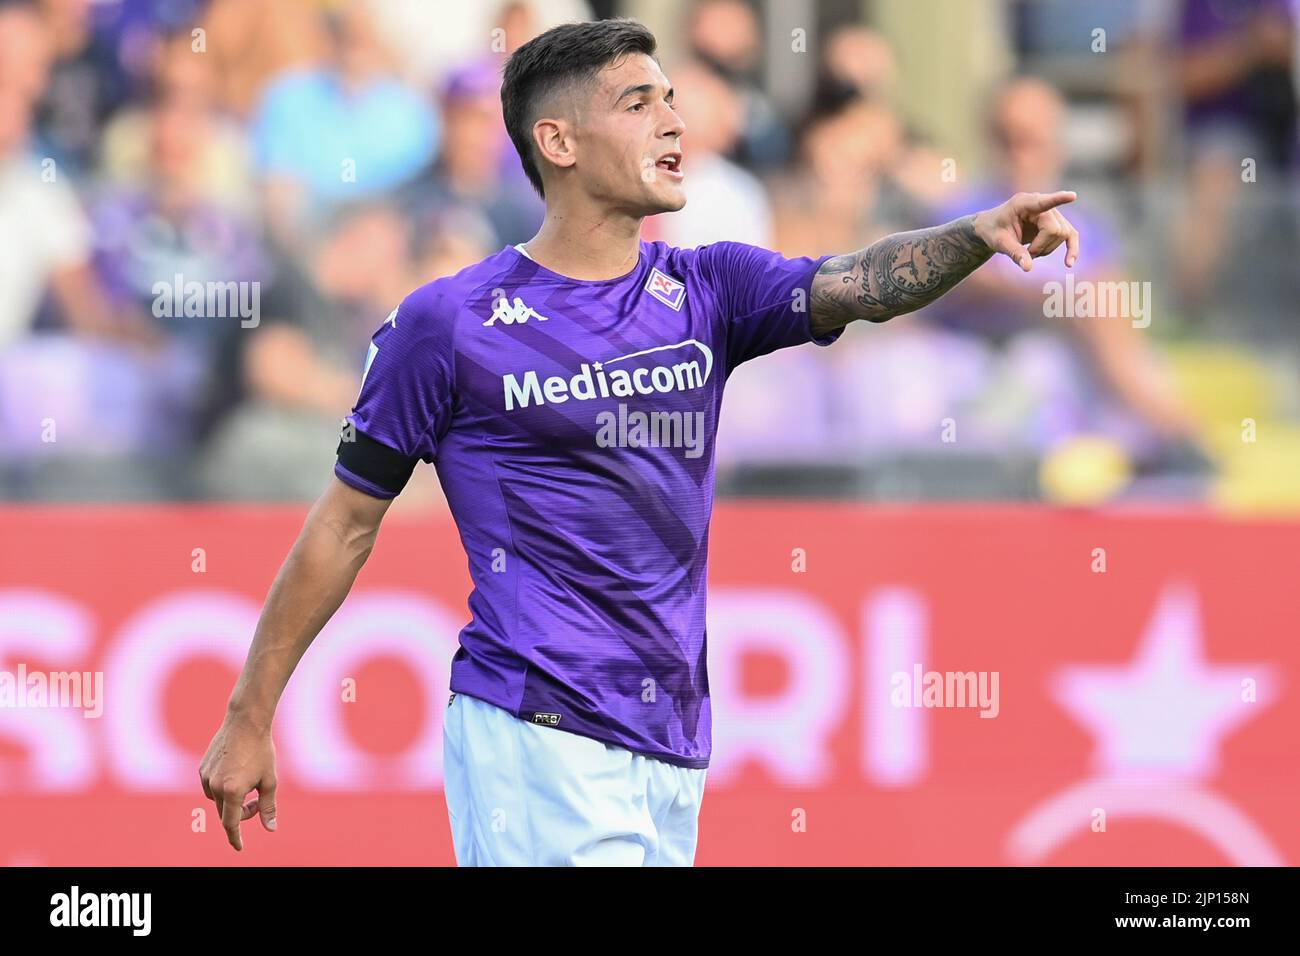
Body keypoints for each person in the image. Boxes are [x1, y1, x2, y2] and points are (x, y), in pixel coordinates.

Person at [199, 18, 1079, 866]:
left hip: (673, 737)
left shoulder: (711, 289)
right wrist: (250, 712)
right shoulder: (449, 323)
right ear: (559, 141)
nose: (674, 120)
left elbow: (861, 283)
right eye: (637, 103)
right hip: (539, 726)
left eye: (670, 98)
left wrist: (975, 235)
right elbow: (346, 523)